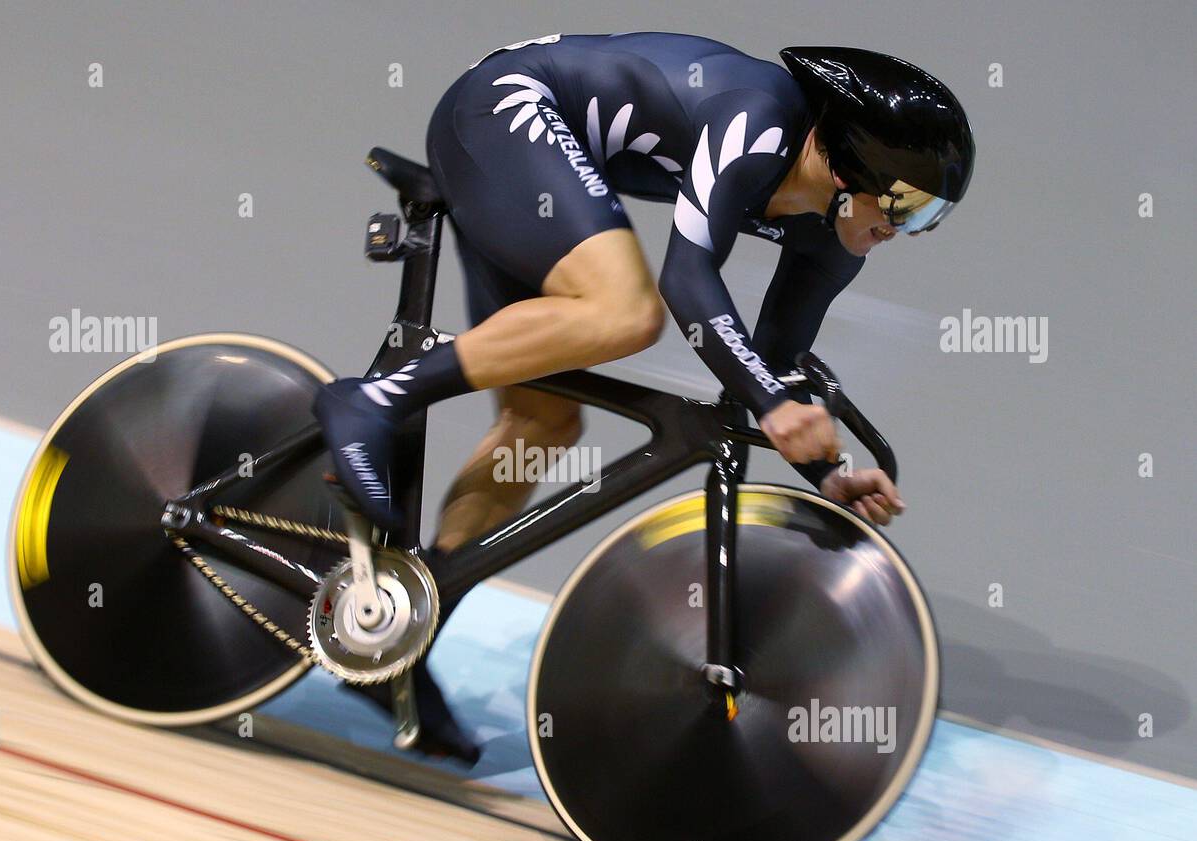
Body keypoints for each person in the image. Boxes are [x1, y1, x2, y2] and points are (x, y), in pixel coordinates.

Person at [316, 33, 975, 761]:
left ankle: (405, 633)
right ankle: (371, 403)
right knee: (625, 311)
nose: (903, 233)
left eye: (927, 222)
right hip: (506, 108)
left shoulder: (833, 242)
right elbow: (689, 281)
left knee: (542, 423)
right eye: (906, 209)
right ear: (854, 166)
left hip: (551, 162)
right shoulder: (757, 120)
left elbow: (767, 369)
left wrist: (830, 471)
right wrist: (772, 402)